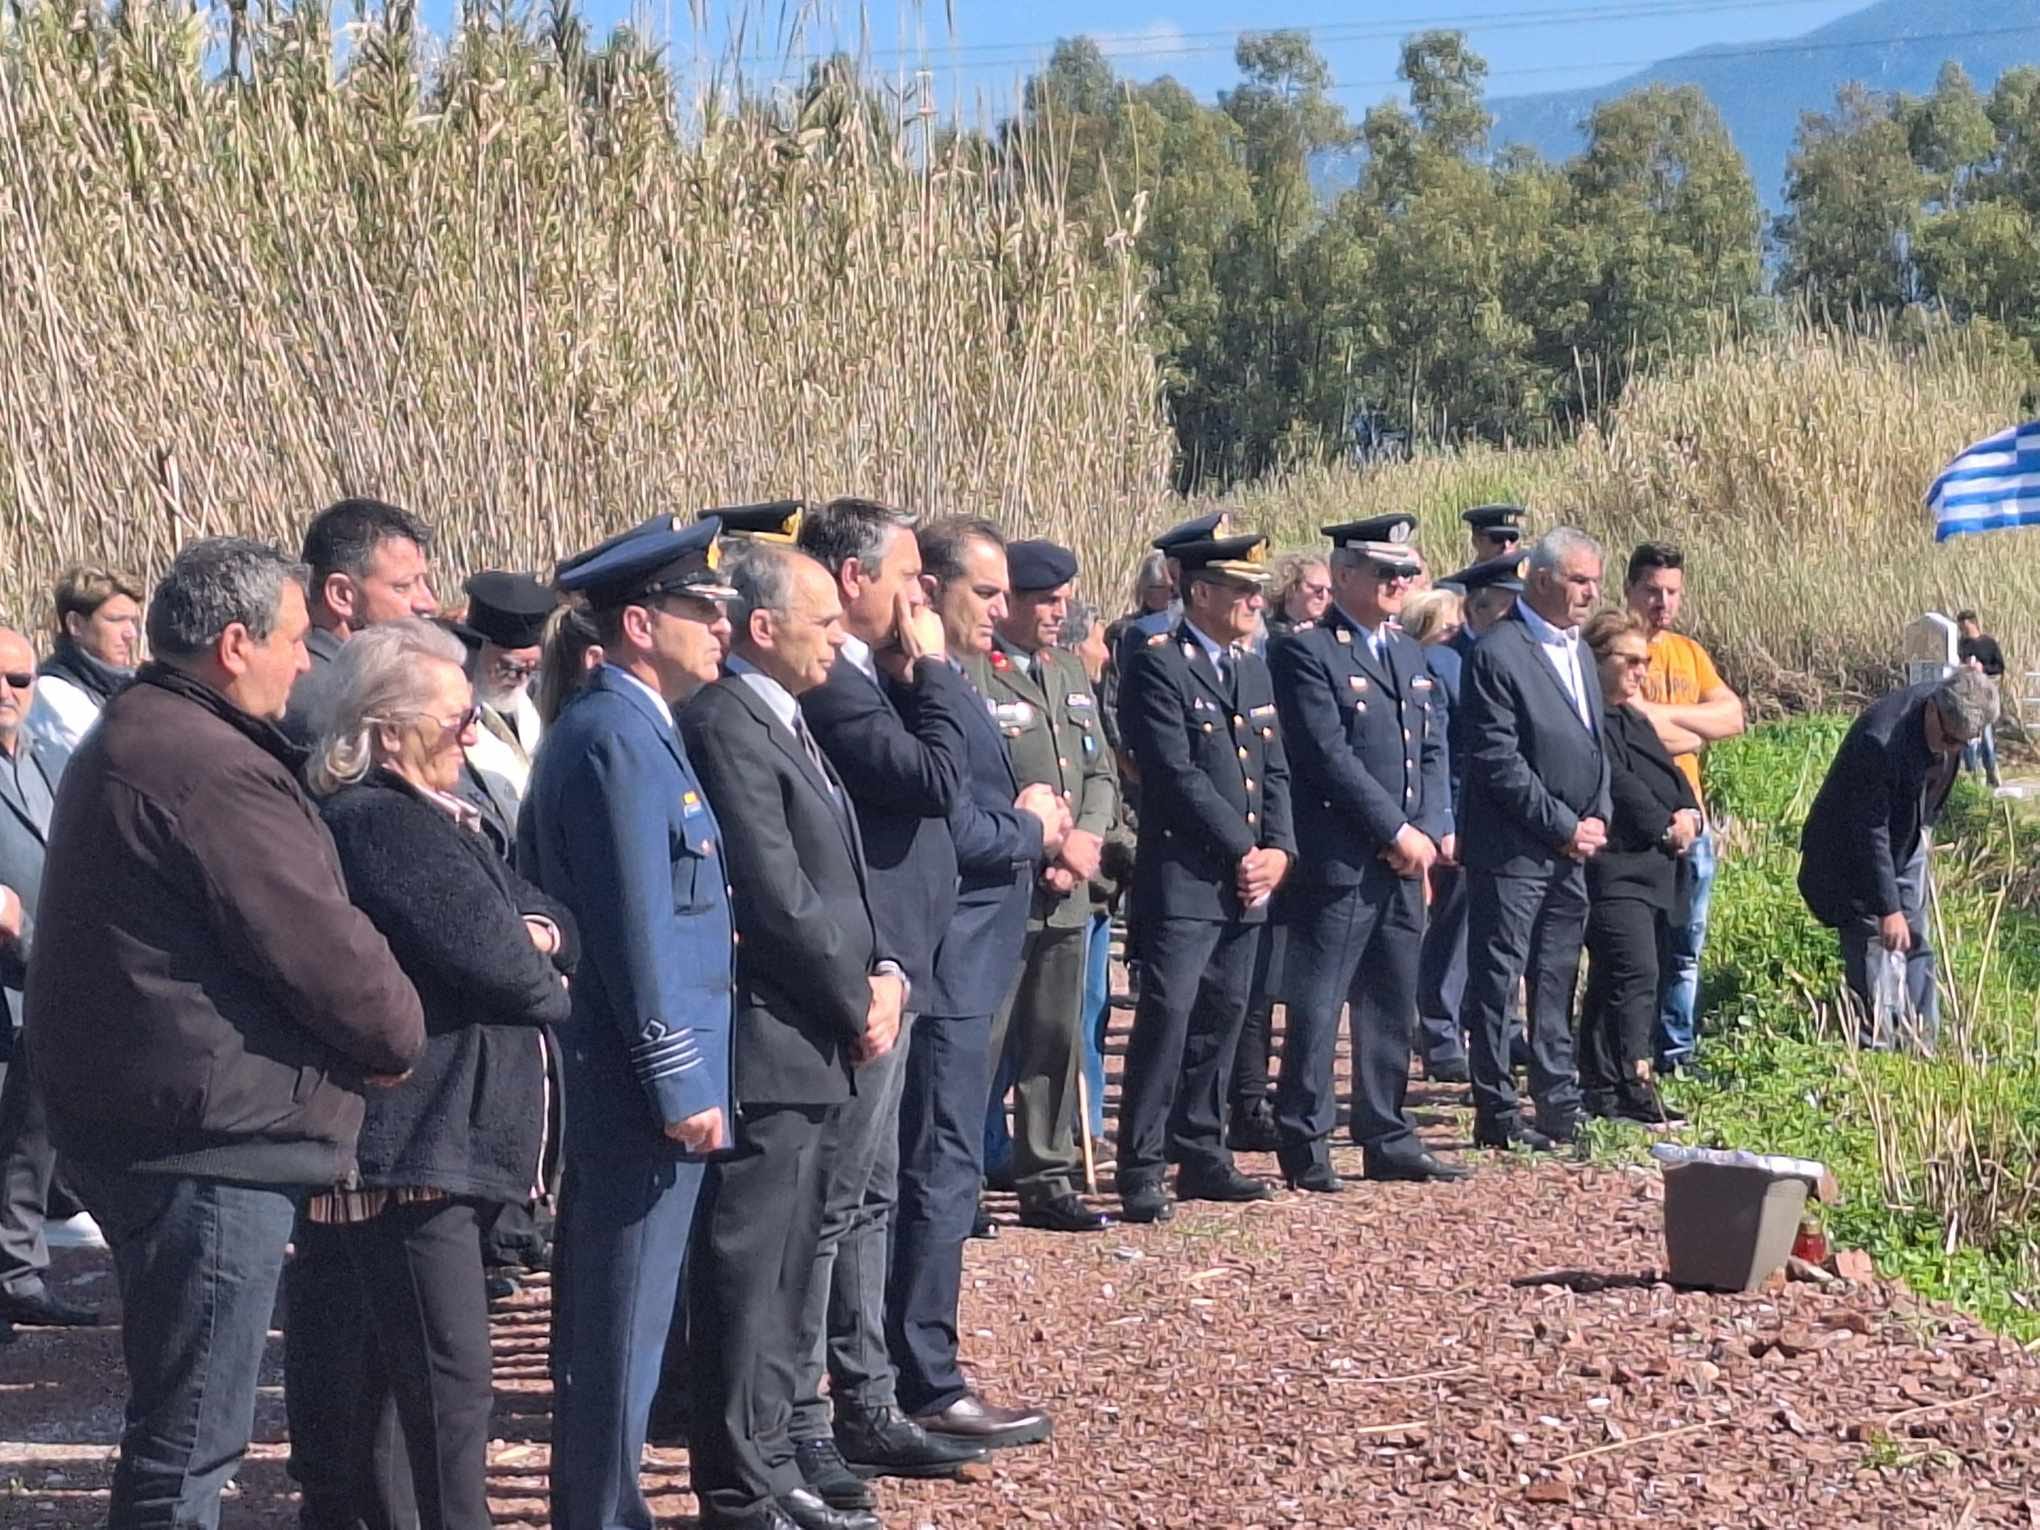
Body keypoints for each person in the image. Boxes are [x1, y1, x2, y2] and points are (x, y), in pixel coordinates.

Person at [27, 536, 425, 1530]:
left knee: (185, 1430)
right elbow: (317, 946)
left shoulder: (150, 735)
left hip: (180, 1125)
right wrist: (394, 1036)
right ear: (236, 644)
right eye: (292, 641)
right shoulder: (205, 767)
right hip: (206, 1143)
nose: (304, 663)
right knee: (191, 1441)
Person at [287, 620, 577, 1530]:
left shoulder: (437, 817)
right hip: (413, 1148)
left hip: (437, 1143)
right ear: (386, 731)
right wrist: (540, 962)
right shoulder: (378, 823)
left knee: (396, 1376)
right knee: (445, 1385)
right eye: (456, 721)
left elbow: (549, 917)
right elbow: (505, 965)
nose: (472, 734)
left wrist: (540, 939)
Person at [517, 516, 738, 1530]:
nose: (722, 625)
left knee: (633, 1325)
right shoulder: (614, 736)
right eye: (702, 608)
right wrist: (679, 1079)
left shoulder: (638, 727)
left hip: (645, 1082)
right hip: (636, 1086)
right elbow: (636, 930)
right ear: (641, 624)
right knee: (617, 1328)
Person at [679, 544, 906, 1530]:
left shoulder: (784, 717)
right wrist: (855, 1000)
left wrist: (884, 972)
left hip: (817, 1035)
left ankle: (775, 1460)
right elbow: (776, 894)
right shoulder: (726, 721)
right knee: (751, 1272)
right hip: (776, 1038)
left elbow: (841, 878)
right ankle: (741, 1484)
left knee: (789, 1266)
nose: (842, 639)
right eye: (825, 622)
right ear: (761, 628)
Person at [789, 497, 986, 1500]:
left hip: (898, 961)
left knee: (869, 1195)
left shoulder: (871, 677)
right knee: (832, 1203)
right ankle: (809, 1415)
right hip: (865, 968)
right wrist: (937, 669)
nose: (923, 596)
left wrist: (915, 675)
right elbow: (938, 780)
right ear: (853, 577)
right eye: (909, 577)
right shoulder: (833, 688)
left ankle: (865, 1397)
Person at [888, 518, 1066, 1454]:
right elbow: (956, 826)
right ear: (933, 589)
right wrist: (1035, 829)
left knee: (942, 1165)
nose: (1001, 609)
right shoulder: (921, 684)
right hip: (946, 961)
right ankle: (925, 1376)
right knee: (937, 1166)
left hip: (973, 959)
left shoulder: (954, 680)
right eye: (985, 592)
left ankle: (913, 1364)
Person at [1269, 518, 1465, 1188]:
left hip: (1404, 860)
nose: (1398, 584)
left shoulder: (1407, 653)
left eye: (1405, 573)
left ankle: (1387, 1132)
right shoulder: (1308, 653)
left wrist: (1430, 826)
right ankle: (1305, 1140)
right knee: (1319, 1006)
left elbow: (1431, 748)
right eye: (1384, 573)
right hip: (1344, 860)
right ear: (1344, 575)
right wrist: (1394, 830)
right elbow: (1328, 757)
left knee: (1390, 1002)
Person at [1114, 527, 1295, 1223]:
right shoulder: (1158, 663)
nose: (1255, 601)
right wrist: (1245, 848)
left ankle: (1202, 1150)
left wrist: (1279, 850)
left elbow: (1273, 771)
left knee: (1225, 1016)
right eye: (1241, 589)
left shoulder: (1253, 667)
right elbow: (1174, 773)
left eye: (1256, 590)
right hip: (1188, 875)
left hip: (1248, 880)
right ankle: (1141, 1164)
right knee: (1169, 1018)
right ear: (1200, 593)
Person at [978, 539, 1117, 1234]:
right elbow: (979, 780)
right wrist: (1050, 844)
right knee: (986, 1042)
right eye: (1045, 601)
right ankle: (964, 1177)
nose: (1059, 613)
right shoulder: (976, 671)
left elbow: (1100, 772)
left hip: (1069, 889)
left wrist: (1086, 841)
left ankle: (1048, 1174)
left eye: (1064, 600)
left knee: (1055, 1038)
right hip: (1008, 884)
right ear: (1010, 602)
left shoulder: (1066, 671)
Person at [1456, 527, 1611, 1151]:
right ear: (1541, 580)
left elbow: (1594, 742)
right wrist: (1563, 825)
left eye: (1595, 581)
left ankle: (1557, 1101)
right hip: (1513, 850)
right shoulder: (1498, 652)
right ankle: (1496, 1111)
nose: (1591, 593)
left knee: (1555, 977)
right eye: (1580, 581)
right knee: (1499, 980)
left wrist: (1595, 816)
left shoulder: (1579, 651)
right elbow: (1498, 760)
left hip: (1571, 852)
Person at [1797, 669, 1998, 1049]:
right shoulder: (1881, 741)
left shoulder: (1953, 711)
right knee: (1872, 943)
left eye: (1963, 743)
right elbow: (1869, 830)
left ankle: (1922, 1044)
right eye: (1950, 739)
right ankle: (1876, 1045)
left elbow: (1932, 791)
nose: (1954, 750)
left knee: (1916, 939)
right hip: (1850, 855)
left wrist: (1923, 834)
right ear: (1933, 710)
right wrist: (1888, 908)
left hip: (1906, 835)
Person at [0, 628, 100, 1331]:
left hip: (47, 979)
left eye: (18, 679)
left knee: (29, 1140)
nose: (7, 693)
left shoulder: (49, 758)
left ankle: (17, 1274)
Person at [1624, 543, 1746, 1076]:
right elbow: (1629, 727)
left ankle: (1677, 1051)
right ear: (1630, 589)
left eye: (1672, 592)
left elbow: (1733, 717)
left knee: (1686, 945)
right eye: (1653, 591)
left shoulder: (1689, 653)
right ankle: (1632, 1050)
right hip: (1638, 819)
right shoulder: (1615, 649)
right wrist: (1692, 727)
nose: (1663, 603)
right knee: (1639, 949)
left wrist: (1664, 721)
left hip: (1693, 818)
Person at [1226, 551, 1331, 1150]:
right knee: (1253, 983)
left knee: (1270, 976)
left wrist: (1283, 845)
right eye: (1312, 588)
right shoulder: (1279, 651)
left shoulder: (1287, 652)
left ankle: (1253, 1097)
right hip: (1252, 840)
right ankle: (1245, 1100)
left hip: (1286, 838)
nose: (1321, 599)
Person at [1579, 612, 1700, 1126]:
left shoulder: (1633, 718)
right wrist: (1664, 825)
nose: (1640, 671)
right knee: (1635, 973)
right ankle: (1632, 1082)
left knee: (1617, 977)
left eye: (1645, 661)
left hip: (1655, 873)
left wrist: (1690, 813)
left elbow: (1673, 776)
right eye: (1629, 660)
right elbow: (1620, 785)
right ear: (1597, 659)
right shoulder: (1590, 719)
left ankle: (1603, 1086)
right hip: (1616, 869)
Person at [283, 497, 440, 746]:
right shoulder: (333, 708)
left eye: (424, 582)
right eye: (403, 587)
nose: (428, 603)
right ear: (341, 595)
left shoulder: (358, 681)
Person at [1408, 582, 1477, 1085]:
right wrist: (1445, 821)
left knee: (1464, 930)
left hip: (1468, 812)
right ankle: (1439, 1033)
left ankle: (1450, 1027)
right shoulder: (1438, 665)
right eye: (1449, 628)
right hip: (1447, 815)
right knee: (1448, 931)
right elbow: (1439, 752)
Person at [460, 570, 557, 824]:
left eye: (531, 668)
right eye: (510, 667)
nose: (522, 678)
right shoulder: (454, 708)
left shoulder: (534, 699)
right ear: (477, 649)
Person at [23, 564, 143, 752]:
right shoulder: (53, 691)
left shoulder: (128, 686)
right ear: (75, 624)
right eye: (116, 620)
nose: (131, 634)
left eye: (133, 621)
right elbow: (107, 756)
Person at [1956, 610, 2006, 788]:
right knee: (1968, 737)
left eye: (1964, 626)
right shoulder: (1960, 645)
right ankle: (1973, 776)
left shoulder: (1988, 643)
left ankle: (1992, 773)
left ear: (1972, 623)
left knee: (1986, 736)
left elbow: (1999, 667)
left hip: (1985, 694)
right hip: (1966, 695)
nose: (1962, 631)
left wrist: (1982, 668)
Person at [1462, 503, 1526, 564]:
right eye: (1498, 538)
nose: (1507, 545)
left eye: (1512, 539)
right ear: (1476, 541)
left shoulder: (1525, 570)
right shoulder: (1471, 572)